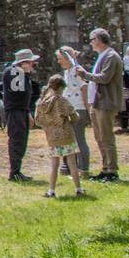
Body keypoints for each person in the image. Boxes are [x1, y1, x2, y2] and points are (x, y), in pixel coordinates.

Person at [76, 28, 124, 182]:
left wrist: (85, 74)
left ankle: (112, 171)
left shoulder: (111, 56)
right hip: (97, 103)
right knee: (99, 137)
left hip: (105, 102)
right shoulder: (102, 56)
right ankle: (105, 169)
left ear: (98, 39)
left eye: (92, 39)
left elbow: (105, 78)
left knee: (107, 137)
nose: (90, 43)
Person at [33, 74, 84, 198]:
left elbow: (37, 120)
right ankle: (78, 189)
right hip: (67, 135)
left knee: (54, 165)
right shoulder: (62, 101)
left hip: (52, 137)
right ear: (61, 88)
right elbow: (74, 116)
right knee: (72, 163)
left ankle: (51, 190)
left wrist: (48, 127)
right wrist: (71, 121)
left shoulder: (42, 102)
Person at [3, 49, 38, 181]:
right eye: (30, 62)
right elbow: (19, 93)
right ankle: (15, 173)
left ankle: (17, 171)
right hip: (15, 110)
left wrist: (27, 111)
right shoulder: (15, 72)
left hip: (21, 109)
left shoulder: (18, 73)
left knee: (21, 141)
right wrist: (26, 75)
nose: (33, 65)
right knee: (17, 140)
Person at [56, 46, 91, 175]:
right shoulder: (67, 72)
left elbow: (84, 87)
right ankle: (70, 166)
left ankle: (84, 168)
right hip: (69, 109)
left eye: (60, 59)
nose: (59, 61)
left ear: (66, 58)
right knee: (70, 139)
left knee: (79, 139)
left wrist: (88, 109)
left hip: (78, 108)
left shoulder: (77, 70)